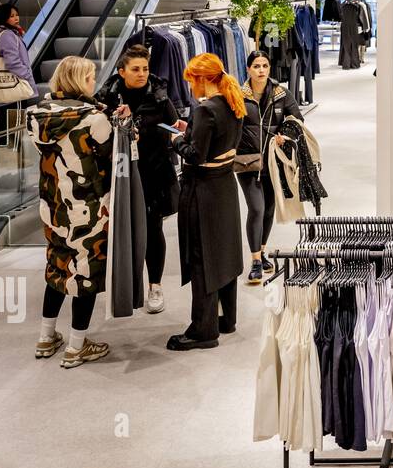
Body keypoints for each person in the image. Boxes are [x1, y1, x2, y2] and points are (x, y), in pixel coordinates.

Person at [28, 56, 115, 368]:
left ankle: (45, 336)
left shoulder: (35, 114)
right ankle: (77, 346)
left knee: (57, 267)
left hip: (51, 205)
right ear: (81, 81)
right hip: (86, 207)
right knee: (85, 274)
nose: (94, 83)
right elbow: (109, 156)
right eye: (90, 78)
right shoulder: (93, 118)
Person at [168, 53, 246, 351]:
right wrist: (190, 131)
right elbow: (215, 144)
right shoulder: (232, 102)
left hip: (202, 192)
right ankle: (226, 319)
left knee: (203, 258)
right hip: (225, 187)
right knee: (225, 253)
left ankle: (203, 330)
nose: (190, 88)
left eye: (191, 81)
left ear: (201, 79)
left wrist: (176, 140)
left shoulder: (205, 110)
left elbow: (195, 155)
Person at [97, 44, 182, 313]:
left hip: (154, 171)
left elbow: (172, 125)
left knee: (153, 229)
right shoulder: (107, 98)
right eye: (136, 69)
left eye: (145, 69)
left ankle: (154, 286)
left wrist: (167, 131)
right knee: (120, 229)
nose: (142, 73)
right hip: (119, 173)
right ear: (121, 71)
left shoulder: (158, 95)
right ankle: (124, 288)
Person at [238, 50, 302, 285]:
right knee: (256, 208)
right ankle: (255, 261)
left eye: (265, 65)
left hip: (274, 163)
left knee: (268, 210)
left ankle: (262, 251)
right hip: (247, 161)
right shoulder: (238, 95)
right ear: (248, 69)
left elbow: (297, 119)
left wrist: (284, 133)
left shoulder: (280, 93)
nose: (261, 70)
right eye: (256, 66)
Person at [0, 3, 36, 139]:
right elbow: (12, 62)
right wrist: (26, 75)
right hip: (14, 85)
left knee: (5, 122)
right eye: (11, 16)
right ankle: (9, 157)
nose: (16, 18)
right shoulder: (8, 35)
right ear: (3, 18)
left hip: (6, 86)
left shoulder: (4, 34)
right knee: (14, 124)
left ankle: (3, 155)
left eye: (16, 15)